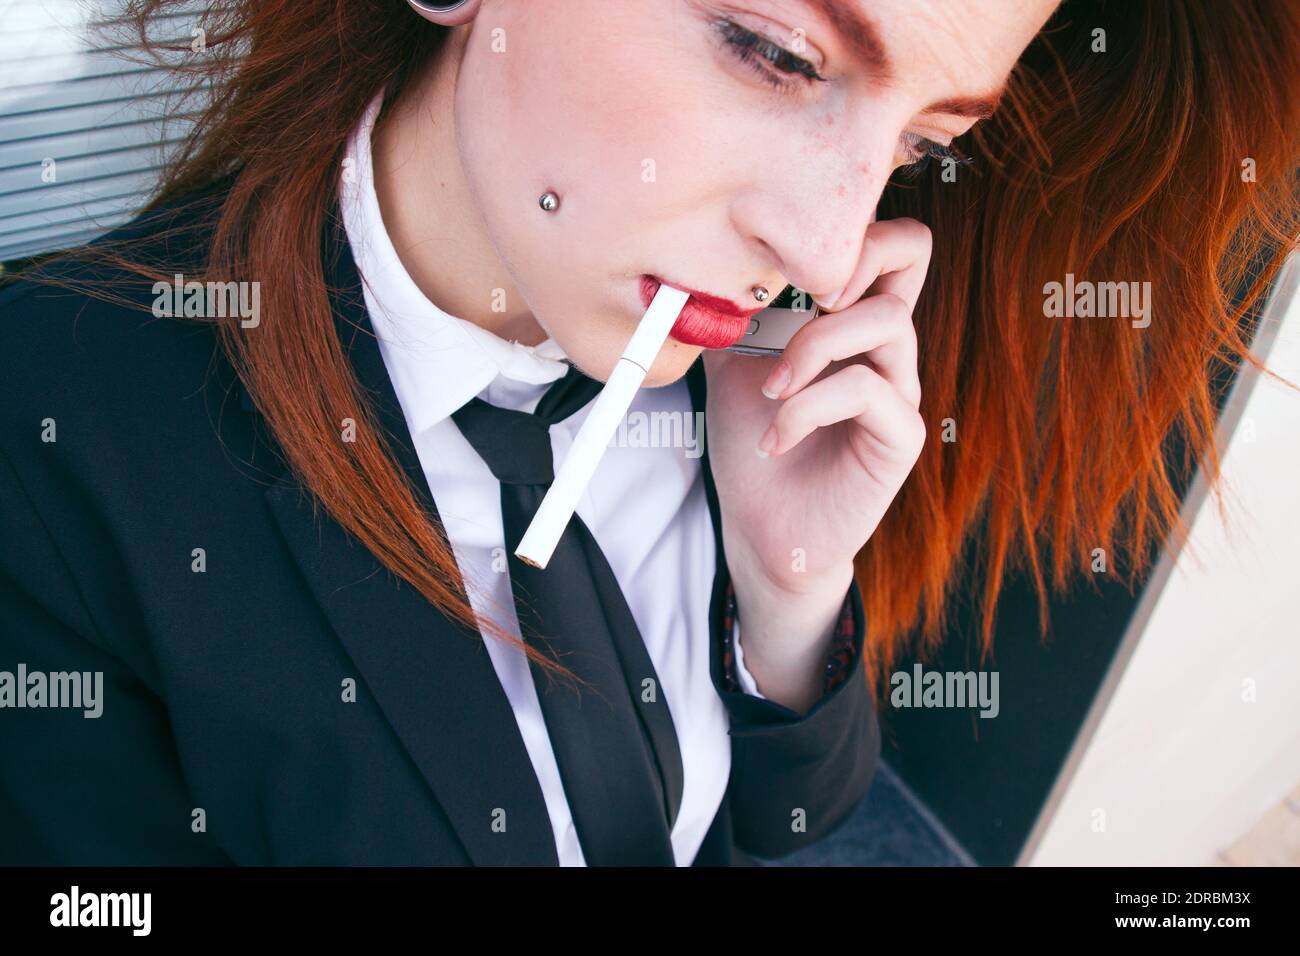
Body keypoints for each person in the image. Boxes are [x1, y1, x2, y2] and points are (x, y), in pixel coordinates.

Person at [0, 0, 1296, 866]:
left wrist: (792, 605)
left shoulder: (747, 375)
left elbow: (789, 826)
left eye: (920, 138)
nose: (827, 250)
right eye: (777, 55)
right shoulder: (63, 435)